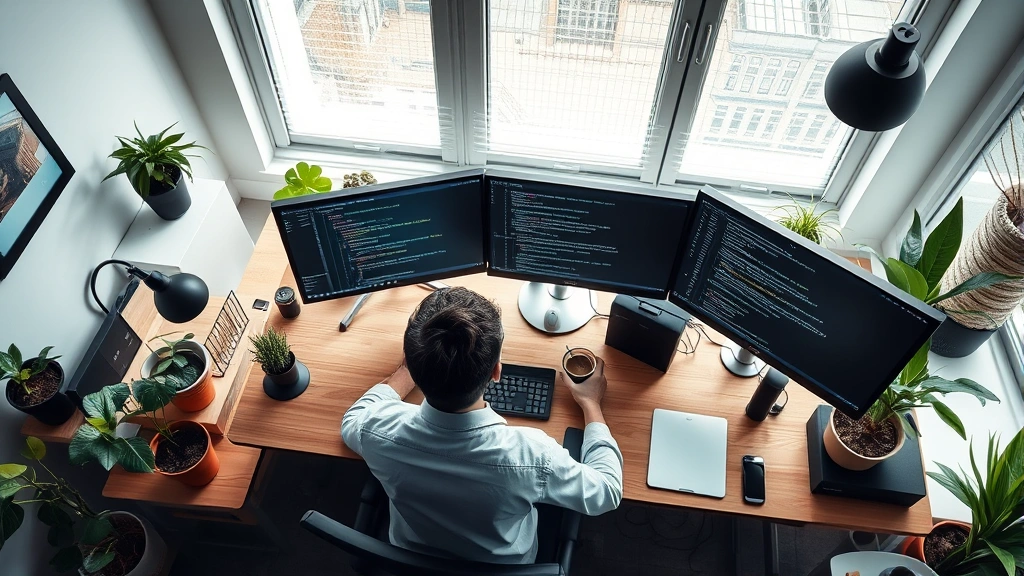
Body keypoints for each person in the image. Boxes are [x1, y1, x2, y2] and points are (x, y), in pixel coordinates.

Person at [341, 287, 623, 564]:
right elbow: (607, 491)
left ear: (413, 366)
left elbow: (352, 420)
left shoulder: (377, 429)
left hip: (412, 556)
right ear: (497, 371)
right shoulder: (532, 457)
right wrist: (591, 403)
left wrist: (407, 372)